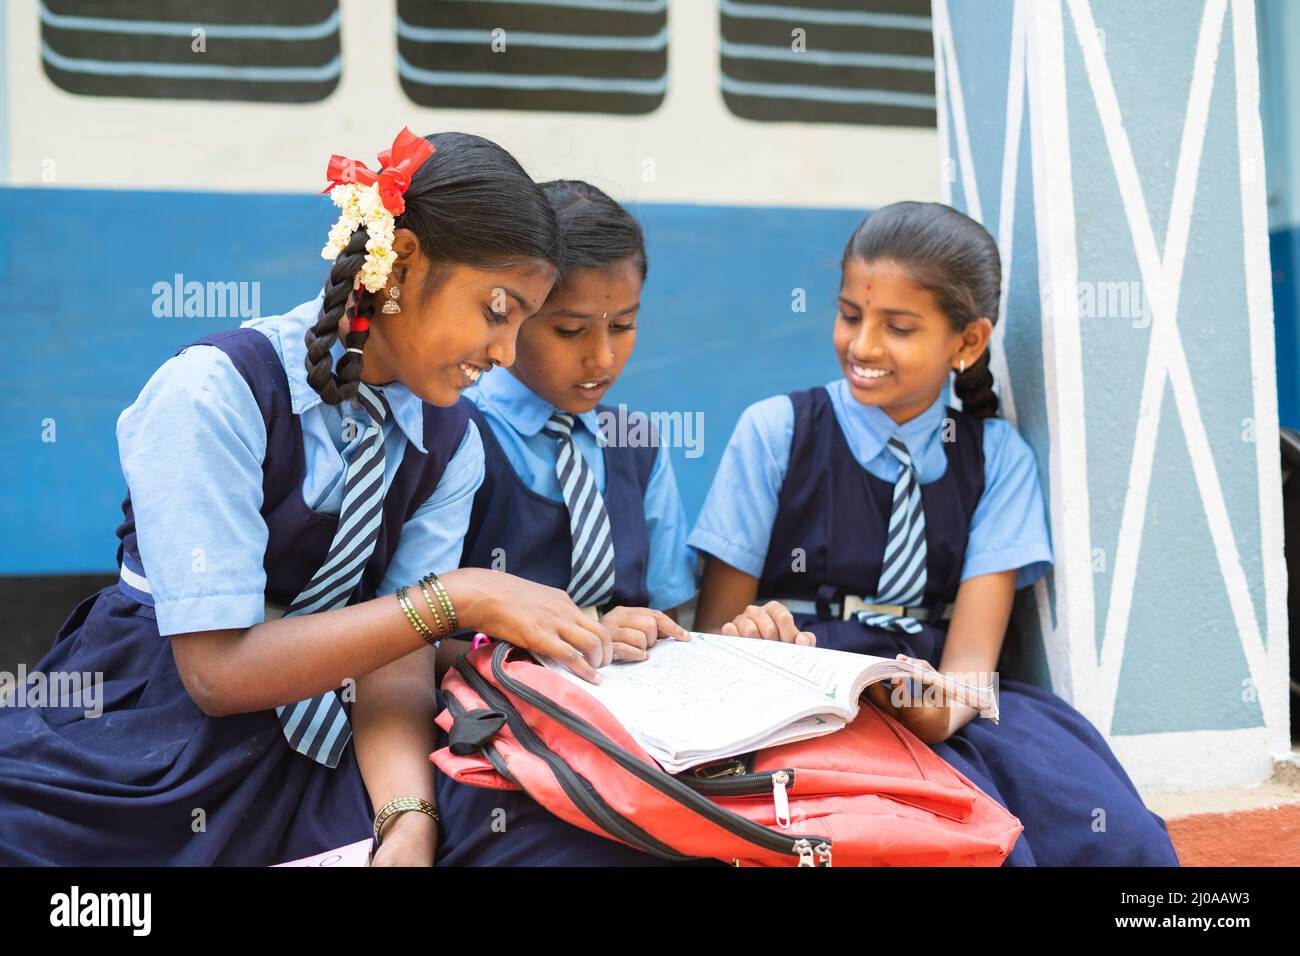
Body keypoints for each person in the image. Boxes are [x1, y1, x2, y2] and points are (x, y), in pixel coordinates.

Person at [0, 129, 616, 867]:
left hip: (330, 737)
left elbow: (394, 657)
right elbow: (217, 673)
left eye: (523, 323)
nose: (506, 354)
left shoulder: (451, 441)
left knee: (529, 831)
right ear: (404, 263)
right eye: (496, 311)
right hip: (147, 733)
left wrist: (407, 819)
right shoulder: (214, 393)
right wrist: (454, 599)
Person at [689, 201, 1180, 866]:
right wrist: (763, 646)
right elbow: (718, 633)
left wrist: (926, 708)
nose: (861, 347)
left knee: (1119, 838)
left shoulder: (996, 459)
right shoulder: (776, 432)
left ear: (968, 342)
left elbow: (972, 672)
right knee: (971, 849)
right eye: (850, 315)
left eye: (898, 327)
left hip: (941, 708)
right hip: (799, 704)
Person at [434, 179, 705, 866]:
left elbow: (673, 616)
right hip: (487, 737)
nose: (603, 359)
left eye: (624, 325)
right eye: (570, 330)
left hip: (628, 735)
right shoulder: (454, 433)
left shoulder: (638, 447)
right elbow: (405, 632)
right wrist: (567, 643)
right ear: (512, 309)